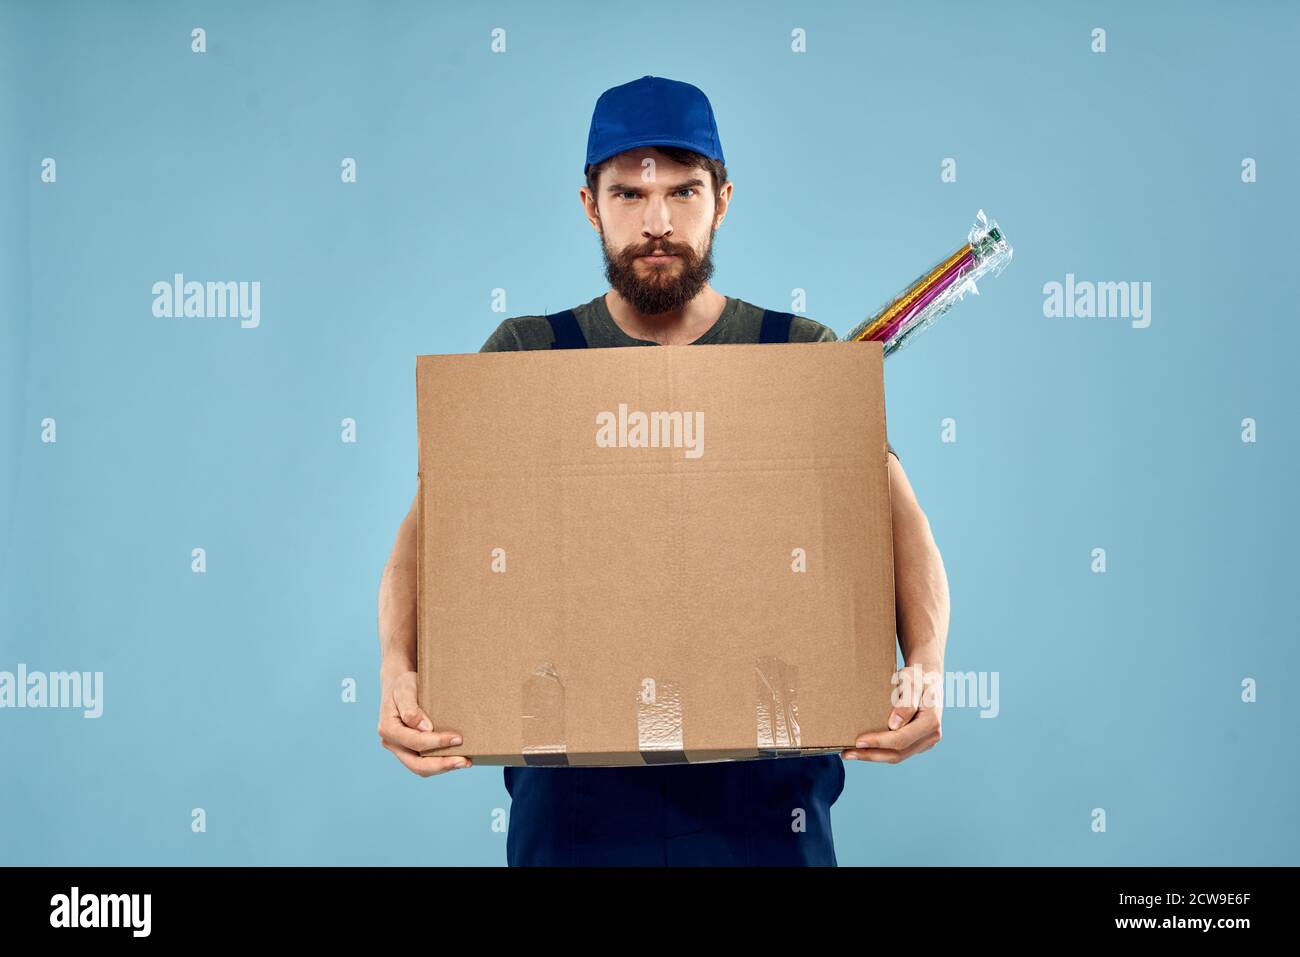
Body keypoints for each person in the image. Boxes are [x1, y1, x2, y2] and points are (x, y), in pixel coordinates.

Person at [377, 75, 951, 866]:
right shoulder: (527, 356)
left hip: (767, 799)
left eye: (683, 190)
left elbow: (898, 518)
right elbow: (433, 525)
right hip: (574, 805)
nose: (657, 222)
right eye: (628, 193)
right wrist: (399, 669)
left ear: (723, 198)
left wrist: (925, 664)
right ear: (589, 204)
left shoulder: (799, 354)